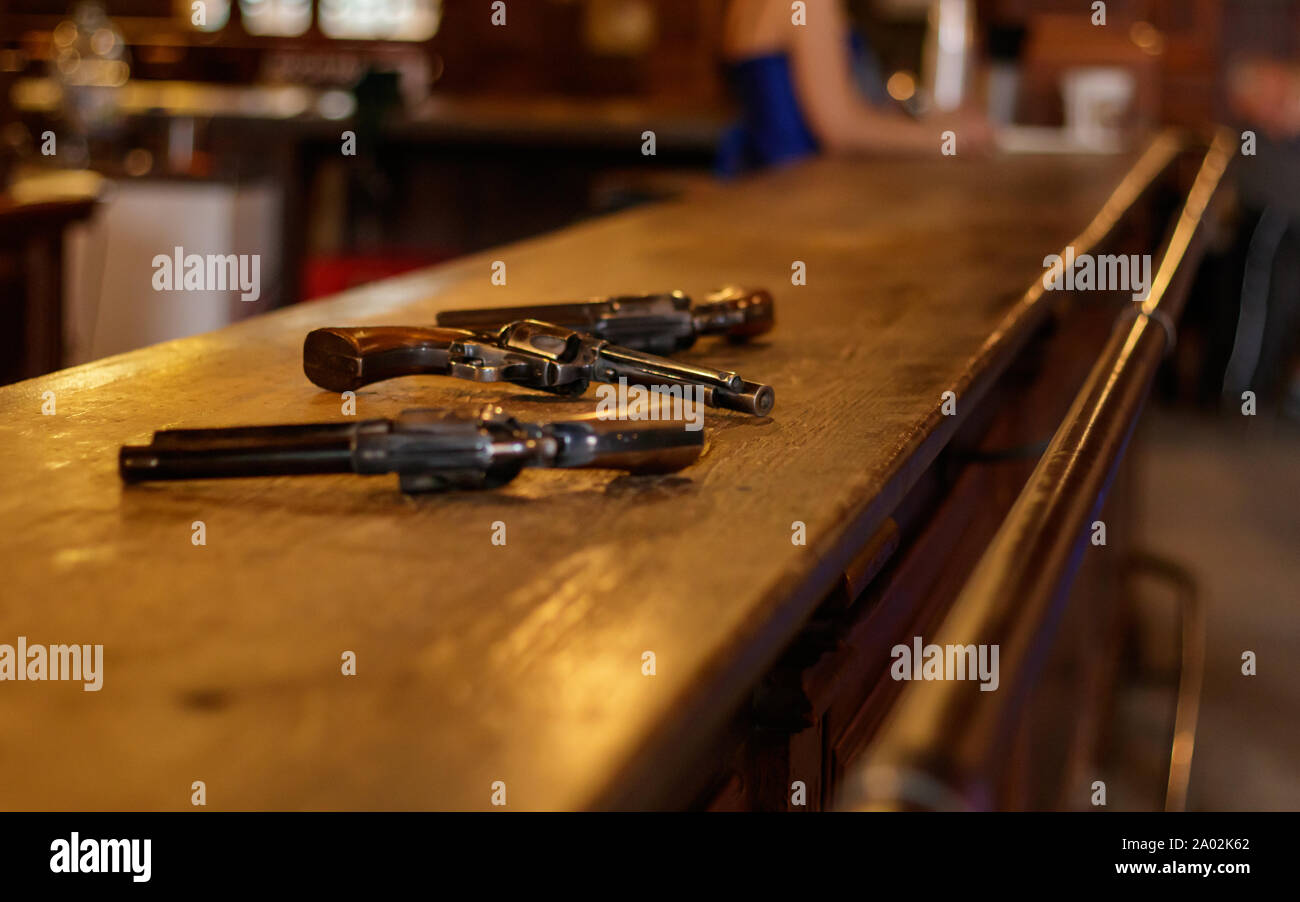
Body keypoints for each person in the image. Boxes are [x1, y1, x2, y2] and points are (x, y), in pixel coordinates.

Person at [718, 0, 992, 173]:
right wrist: (946, 140)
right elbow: (841, 128)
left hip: (764, 181)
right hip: (801, 193)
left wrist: (933, 121)